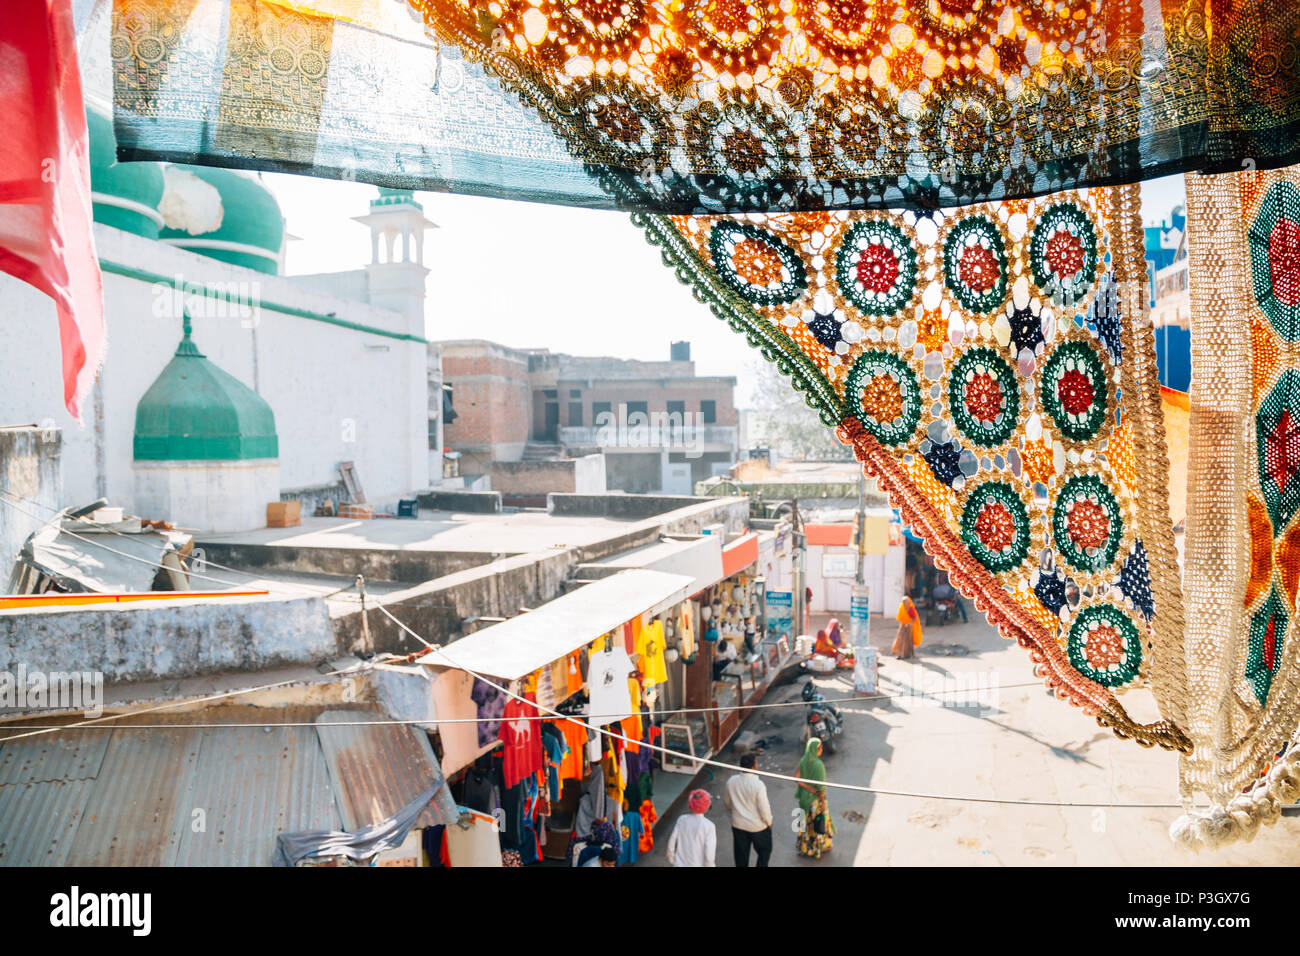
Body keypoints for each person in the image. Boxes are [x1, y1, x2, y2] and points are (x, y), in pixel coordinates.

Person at [724, 753, 773, 867]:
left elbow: (727, 803)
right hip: (758, 827)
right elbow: (764, 808)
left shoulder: (731, 781)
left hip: (738, 826)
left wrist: (734, 813)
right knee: (764, 852)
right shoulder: (759, 785)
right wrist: (769, 822)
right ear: (754, 766)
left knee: (741, 857)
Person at [794, 738, 834, 858]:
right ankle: (816, 849)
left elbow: (796, 778)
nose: (822, 750)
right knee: (817, 825)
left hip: (803, 800)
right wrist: (823, 802)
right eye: (821, 747)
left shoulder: (803, 760)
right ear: (817, 750)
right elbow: (821, 789)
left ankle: (804, 848)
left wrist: (808, 788)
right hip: (815, 802)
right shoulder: (819, 765)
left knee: (805, 824)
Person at [666, 789, 716, 866]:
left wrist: (671, 858)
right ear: (707, 806)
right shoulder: (709, 826)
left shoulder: (681, 819)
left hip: (679, 864)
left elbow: (672, 840)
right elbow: (709, 854)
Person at [892, 594, 923, 660]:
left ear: (908, 603)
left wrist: (909, 624)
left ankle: (907, 654)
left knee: (908, 642)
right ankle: (900, 654)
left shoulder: (911, 609)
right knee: (900, 640)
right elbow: (901, 617)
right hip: (903, 627)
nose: (904, 604)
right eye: (903, 602)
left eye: (905, 602)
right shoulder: (902, 608)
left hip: (909, 628)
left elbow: (915, 618)